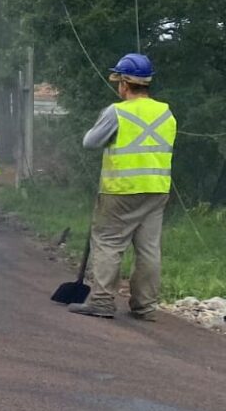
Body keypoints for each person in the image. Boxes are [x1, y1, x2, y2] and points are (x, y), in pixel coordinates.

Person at [69, 53, 174, 321]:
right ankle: (145, 306)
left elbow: (90, 142)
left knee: (108, 243)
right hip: (157, 189)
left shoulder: (117, 111)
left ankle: (103, 301)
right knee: (149, 249)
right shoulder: (166, 112)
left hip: (121, 189)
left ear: (124, 84)